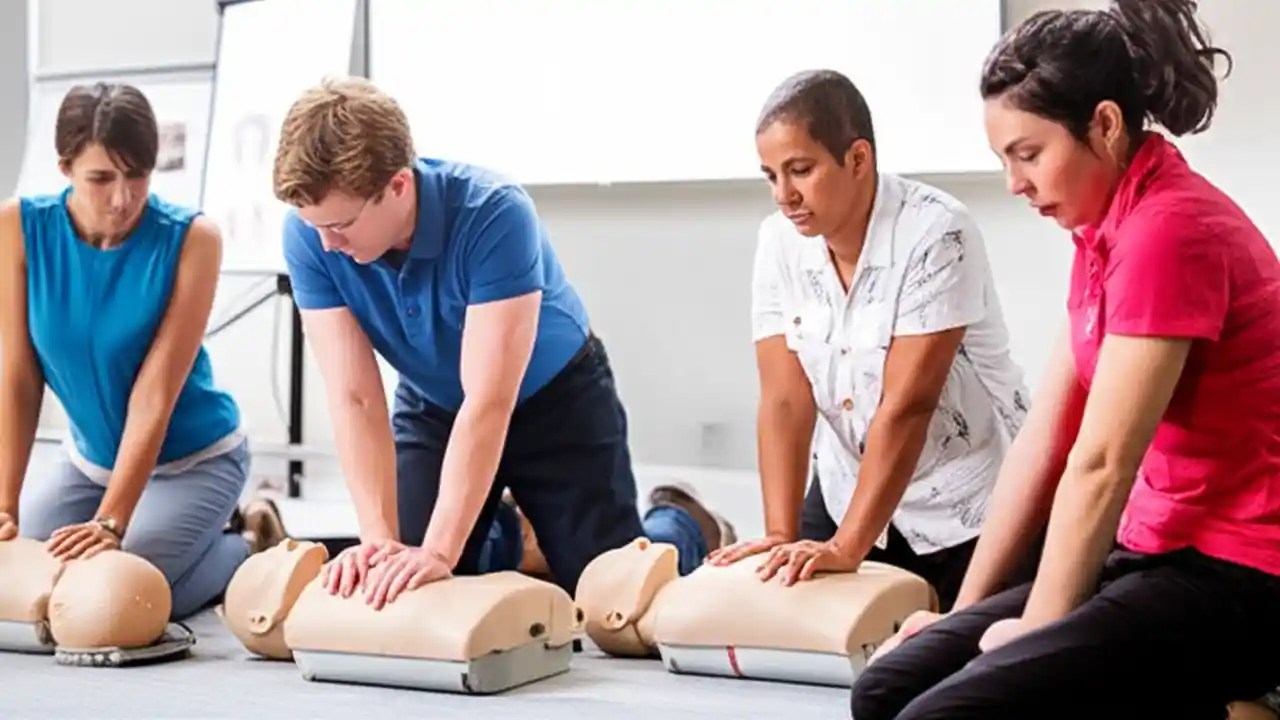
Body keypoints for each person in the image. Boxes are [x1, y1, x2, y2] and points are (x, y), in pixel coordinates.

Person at [849, 2, 1280, 718]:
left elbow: (1102, 461)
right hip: (1150, 553)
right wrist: (964, 612)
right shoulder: (1103, 235)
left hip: (1238, 575)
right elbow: (1047, 440)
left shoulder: (1169, 231)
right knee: (885, 690)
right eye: (1003, 160)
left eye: (1028, 153)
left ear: (1105, 125)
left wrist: (1039, 627)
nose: (1015, 183)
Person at [271, 75, 733, 609]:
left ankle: (684, 523)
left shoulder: (494, 213)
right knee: (407, 578)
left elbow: (489, 400)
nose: (328, 242)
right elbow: (355, 397)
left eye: (342, 225)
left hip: (555, 400)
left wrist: (440, 552)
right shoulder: (310, 234)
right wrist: (381, 542)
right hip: (436, 406)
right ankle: (519, 535)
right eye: (317, 226)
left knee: (611, 596)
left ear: (397, 186)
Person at [706, 69, 1031, 613]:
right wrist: (782, 534)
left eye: (801, 171)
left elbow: (908, 406)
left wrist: (845, 548)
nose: (784, 196)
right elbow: (786, 399)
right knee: (782, 622)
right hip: (845, 487)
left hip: (967, 498)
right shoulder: (779, 241)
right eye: (771, 176)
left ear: (858, 159)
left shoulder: (937, 229)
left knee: (960, 666)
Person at [0, 82, 282, 621]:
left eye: (138, 176)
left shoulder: (194, 239)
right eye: (101, 178)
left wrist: (111, 523)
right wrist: (4, 505)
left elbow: (154, 394)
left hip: (195, 458)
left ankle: (248, 543)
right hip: (90, 463)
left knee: (121, 600)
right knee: (29, 583)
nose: (123, 197)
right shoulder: (18, 227)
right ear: (64, 169)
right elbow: (18, 375)